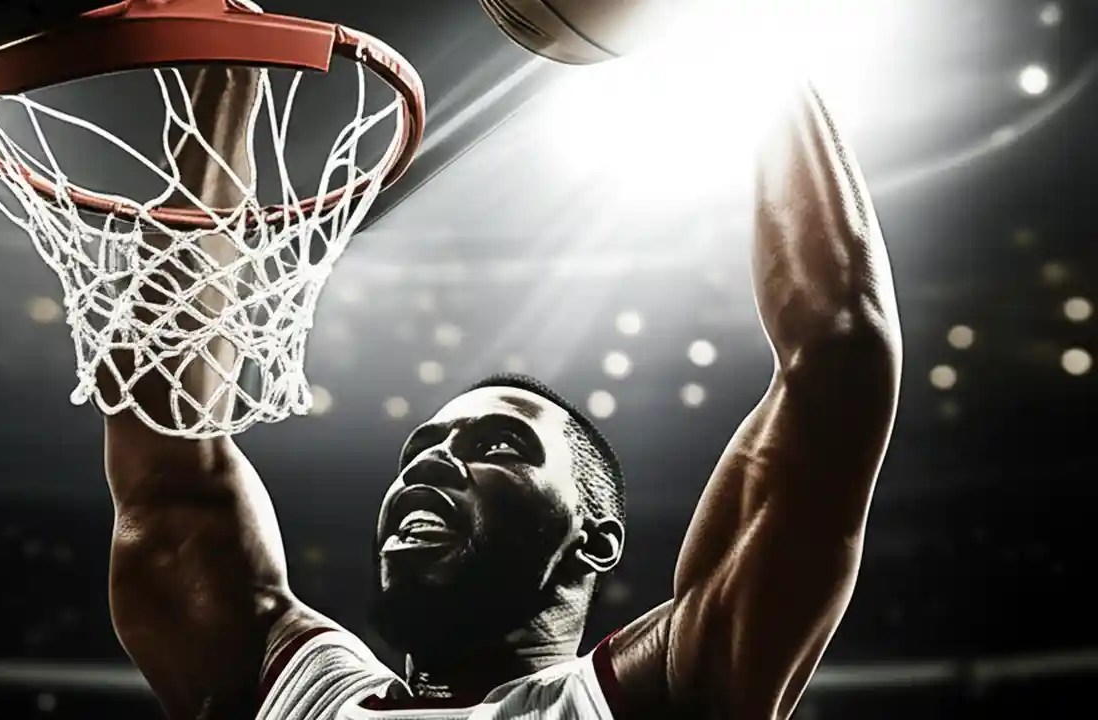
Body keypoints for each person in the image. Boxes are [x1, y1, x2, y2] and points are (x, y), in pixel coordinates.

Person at [98, 65, 902, 720]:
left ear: (594, 540)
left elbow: (838, 356)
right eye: (424, 448)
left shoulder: (652, 697)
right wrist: (228, 65)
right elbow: (162, 436)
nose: (430, 464)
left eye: (497, 446)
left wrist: (750, 45)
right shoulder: (295, 692)